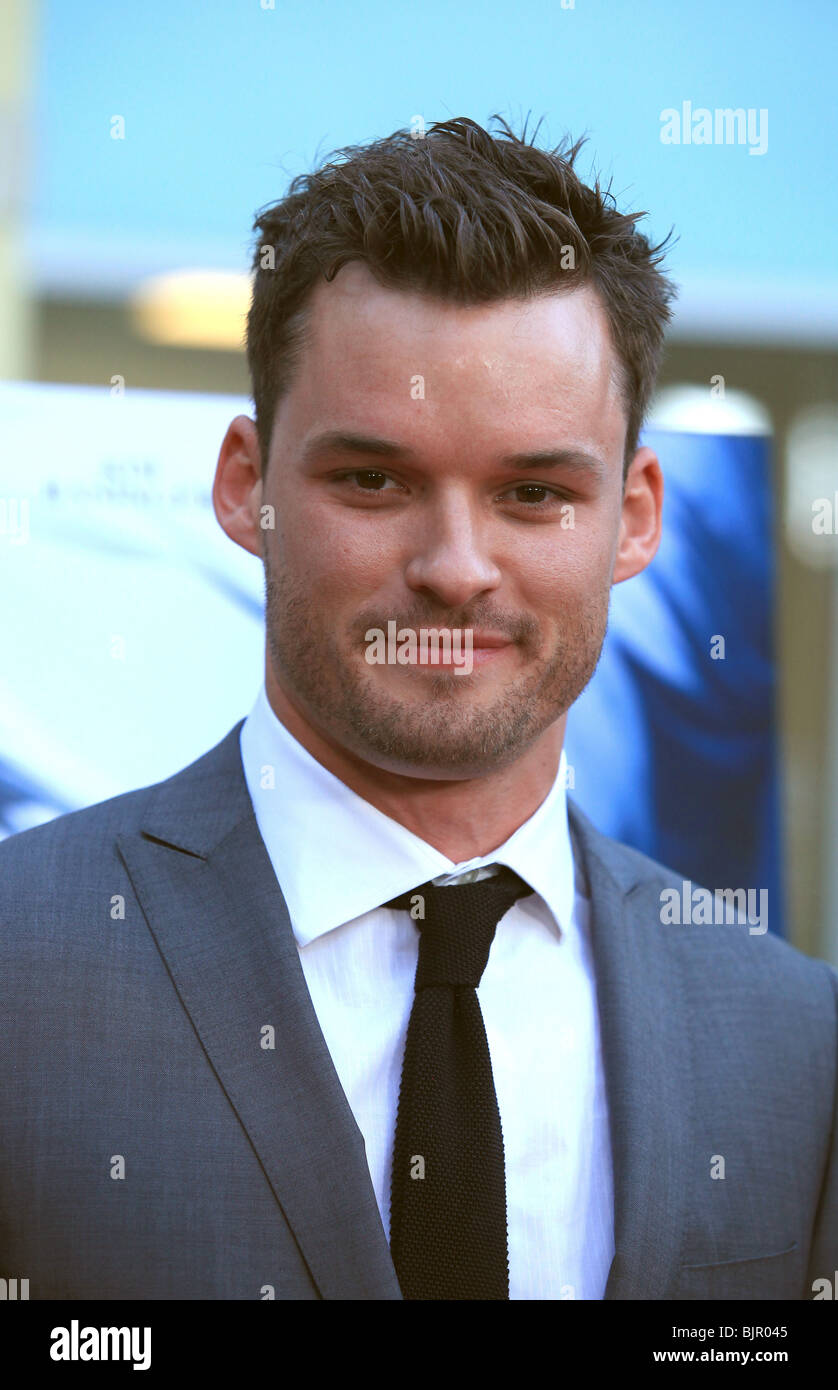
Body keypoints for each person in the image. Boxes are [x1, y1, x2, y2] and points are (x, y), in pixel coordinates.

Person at [1, 116, 835, 1301]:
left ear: (636, 517)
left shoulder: (797, 1041)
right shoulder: (16, 967)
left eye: (533, 491)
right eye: (374, 479)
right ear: (246, 487)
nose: (454, 566)